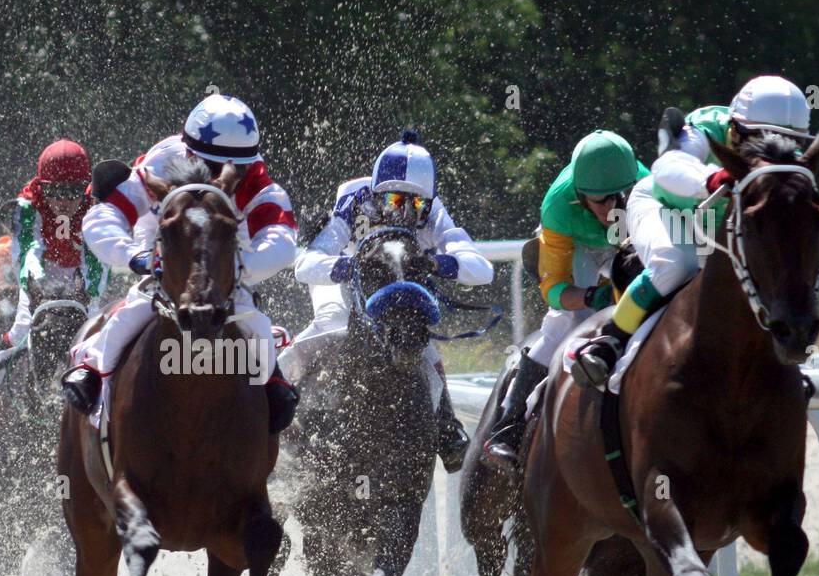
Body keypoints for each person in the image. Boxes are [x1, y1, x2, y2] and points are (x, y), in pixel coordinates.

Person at [61, 93, 300, 433]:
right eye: (213, 165)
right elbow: (103, 216)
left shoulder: (258, 186)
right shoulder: (160, 165)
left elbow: (280, 245)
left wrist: (231, 267)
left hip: (224, 271)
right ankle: (94, 371)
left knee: (254, 322)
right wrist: (134, 256)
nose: (223, 175)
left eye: (236, 167)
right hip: (163, 259)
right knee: (133, 311)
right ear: (188, 153)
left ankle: (274, 385)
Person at [572, 75, 813, 389]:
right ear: (735, 131)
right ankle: (610, 342)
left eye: (791, 143)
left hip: (714, 224)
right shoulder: (705, 126)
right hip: (663, 205)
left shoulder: (786, 162)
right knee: (675, 265)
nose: (779, 152)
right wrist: (714, 178)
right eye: (765, 139)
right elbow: (668, 167)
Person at [291, 129, 493, 472]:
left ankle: (448, 428)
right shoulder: (353, 200)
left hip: (397, 288)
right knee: (330, 324)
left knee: (425, 348)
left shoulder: (433, 213)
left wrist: (434, 263)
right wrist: (354, 266)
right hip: (342, 282)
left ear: (428, 202)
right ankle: (277, 400)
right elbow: (306, 266)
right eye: (393, 201)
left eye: (414, 204)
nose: (402, 213)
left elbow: (482, 269)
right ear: (375, 193)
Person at [483, 130, 646, 466]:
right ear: (580, 195)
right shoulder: (558, 205)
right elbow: (554, 290)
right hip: (578, 249)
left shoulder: (645, 188)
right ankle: (508, 427)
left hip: (627, 243)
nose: (611, 208)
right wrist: (592, 295)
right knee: (564, 322)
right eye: (600, 201)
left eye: (618, 197)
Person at [0, 139, 106, 445]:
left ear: (84, 188)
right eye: (56, 192)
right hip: (24, 320)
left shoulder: (97, 224)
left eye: (72, 192)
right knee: (4, 306)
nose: (64, 201)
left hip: (79, 309)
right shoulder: (5, 250)